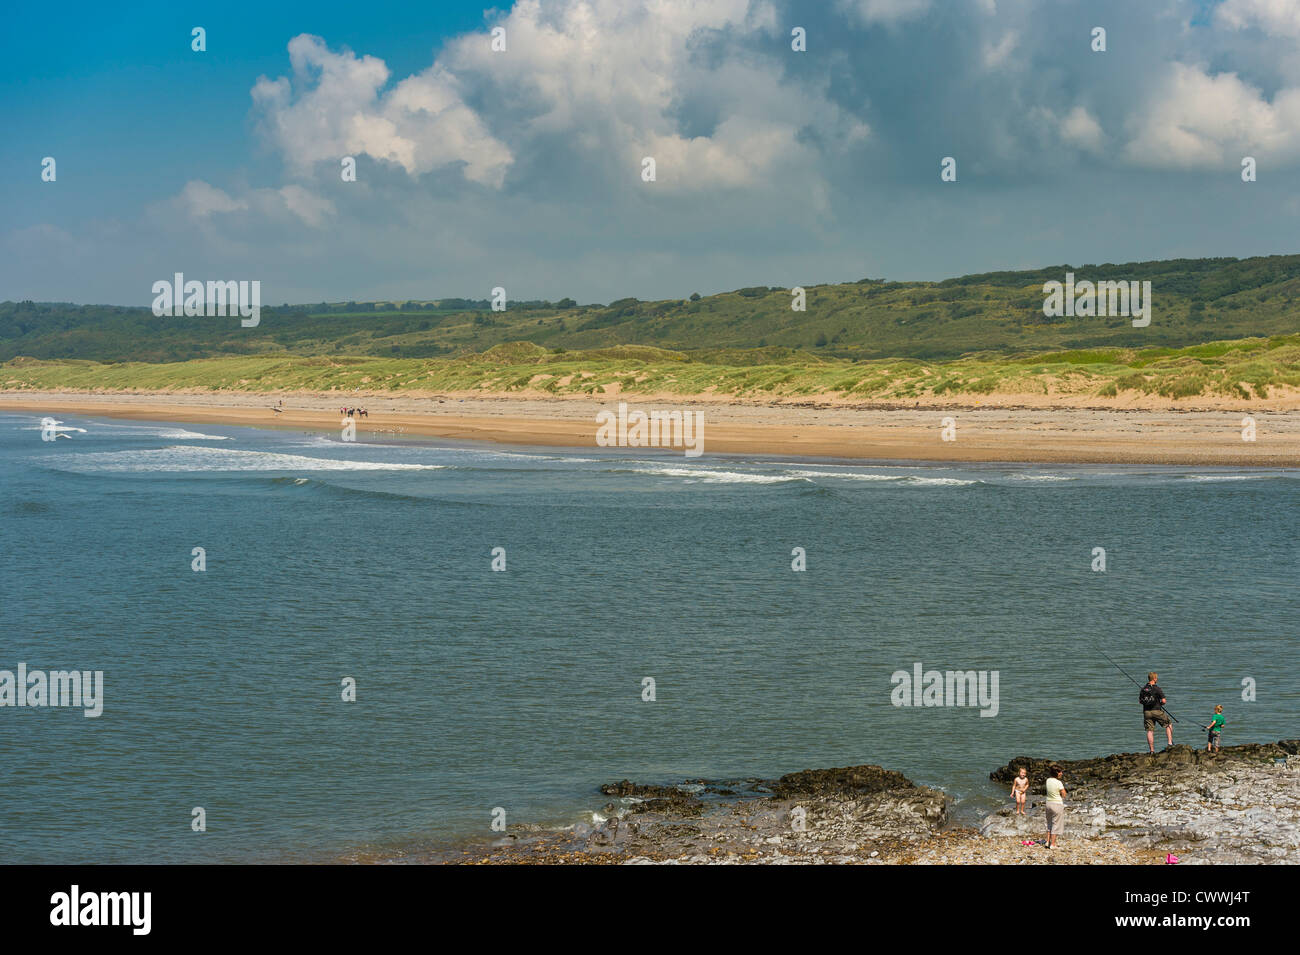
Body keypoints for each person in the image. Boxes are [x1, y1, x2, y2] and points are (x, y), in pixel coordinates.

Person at [1140, 672, 1173, 753]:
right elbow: (1164, 701)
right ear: (1154, 679)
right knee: (1168, 724)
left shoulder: (1143, 689)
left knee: (1150, 731)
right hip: (1157, 710)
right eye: (1156, 678)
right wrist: (1160, 704)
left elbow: (1140, 701)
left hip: (1146, 712)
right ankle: (1170, 743)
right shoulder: (1157, 688)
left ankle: (1151, 750)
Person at [1044, 765, 1066, 849]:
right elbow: (1064, 794)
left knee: (1049, 823)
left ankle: (1047, 842)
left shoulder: (1048, 780)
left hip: (1048, 803)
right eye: (1060, 772)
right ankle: (1053, 844)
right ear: (1057, 773)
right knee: (1056, 824)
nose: (1061, 773)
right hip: (1057, 804)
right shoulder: (1059, 783)